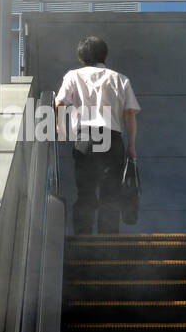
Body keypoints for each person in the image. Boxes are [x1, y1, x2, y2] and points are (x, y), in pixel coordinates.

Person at [54, 35, 140, 234]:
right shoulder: (120, 79)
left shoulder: (73, 76)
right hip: (112, 140)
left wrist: (62, 131)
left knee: (85, 193)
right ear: (106, 55)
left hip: (85, 140)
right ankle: (108, 243)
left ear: (81, 57)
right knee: (110, 195)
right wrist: (132, 146)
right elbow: (130, 114)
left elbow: (59, 104)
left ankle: (83, 239)